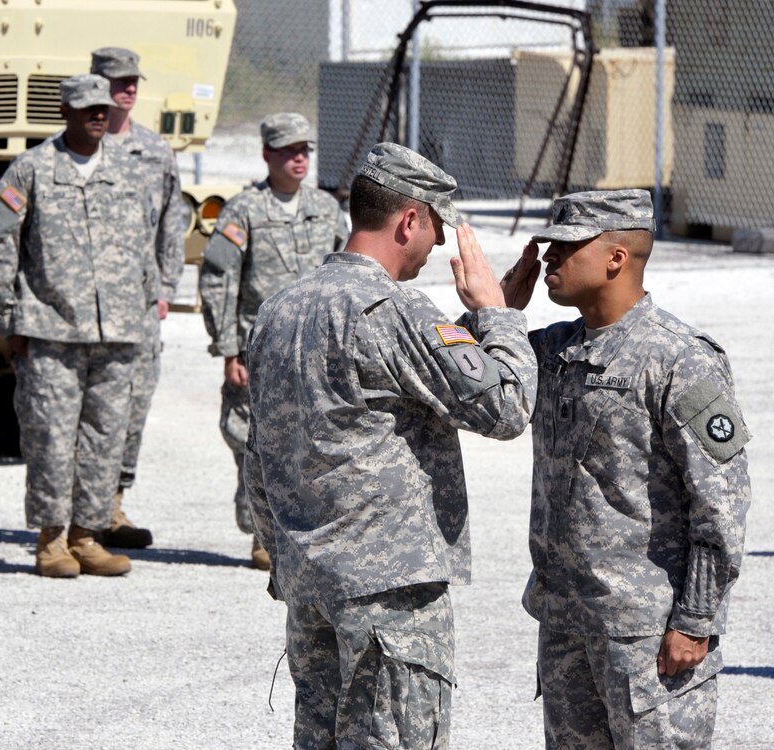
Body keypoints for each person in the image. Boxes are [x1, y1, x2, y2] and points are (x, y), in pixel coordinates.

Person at [244, 142, 537, 748]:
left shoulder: (280, 308)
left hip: (310, 584)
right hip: (391, 595)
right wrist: (497, 313)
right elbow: (506, 408)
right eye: (435, 230)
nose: (435, 249)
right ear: (409, 220)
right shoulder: (394, 310)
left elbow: (259, 456)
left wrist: (285, 559)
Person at [501, 189, 752, 748]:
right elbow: (462, 383)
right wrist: (496, 313)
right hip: (566, 620)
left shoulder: (679, 357)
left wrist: (695, 619)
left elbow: (722, 501)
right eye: (550, 247)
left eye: (567, 248)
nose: (549, 260)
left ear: (616, 258)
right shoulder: (551, 350)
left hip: (647, 630)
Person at [0, 74, 154, 578]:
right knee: (50, 438)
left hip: (116, 333)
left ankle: (88, 534)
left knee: (105, 437)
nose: (98, 115)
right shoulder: (31, 169)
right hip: (50, 330)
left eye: (102, 108)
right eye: (87, 108)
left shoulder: (127, 170)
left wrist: (142, 307)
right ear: (66, 113)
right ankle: (51, 538)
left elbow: (144, 245)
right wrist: (8, 317)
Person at [199, 112, 345, 569]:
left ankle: (306, 533)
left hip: (318, 349)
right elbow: (218, 280)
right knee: (252, 440)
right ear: (267, 155)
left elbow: (347, 272)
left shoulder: (325, 208)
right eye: (288, 151)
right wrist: (227, 349)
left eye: (304, 150)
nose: (298, 159)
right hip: (260, 350)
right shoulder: (243, 210)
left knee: (317, 441)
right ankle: (263, 533)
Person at [90, 46, 185, 550]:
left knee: (132, 403)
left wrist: (166, 286)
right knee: (81, 409)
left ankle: (112, 503)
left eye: (132, 81)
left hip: (141, 302)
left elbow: (172, 222)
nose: (127, 88)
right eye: (116, 80)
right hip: (83, 307)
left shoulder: (154, 150)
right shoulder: (78, 147)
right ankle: (77, 509)